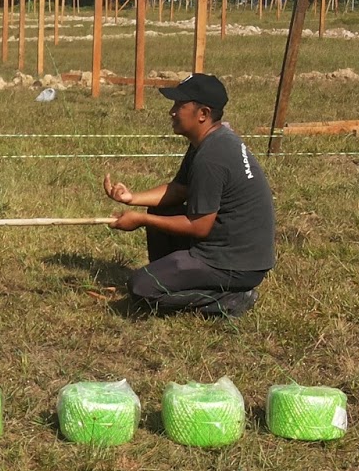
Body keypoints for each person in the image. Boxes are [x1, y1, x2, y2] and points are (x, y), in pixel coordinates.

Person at [103, 73, 274, 318]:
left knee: (141, 288)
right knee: (160, 210)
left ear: (202, 114)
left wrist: (141, 220)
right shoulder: (210, 142)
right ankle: (179, 276)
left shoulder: (212, 157)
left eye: (179, 105)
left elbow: (199, 226)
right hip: (231, 249)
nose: (171, 111)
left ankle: (229, 297)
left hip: (234, 263)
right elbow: (179, 189)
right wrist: (132, 198)